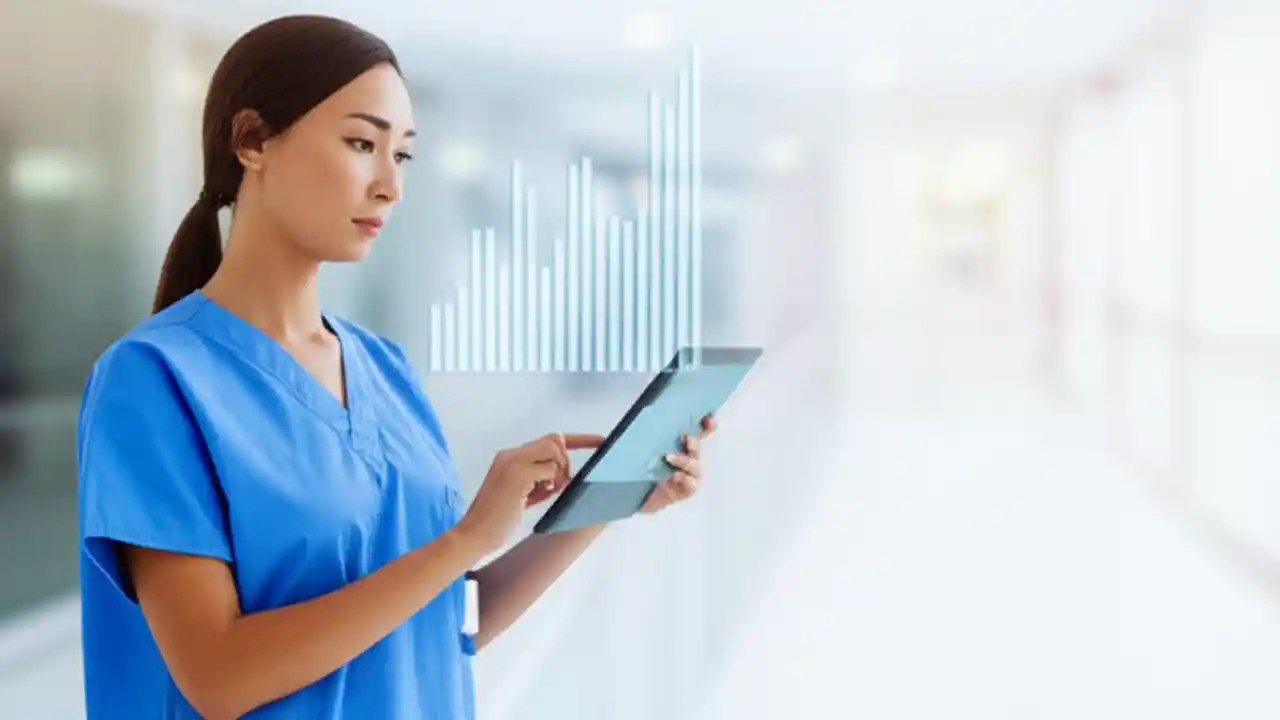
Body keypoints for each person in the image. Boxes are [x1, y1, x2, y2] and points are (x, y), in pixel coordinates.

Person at [75, 14, 717, 720]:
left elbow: (443, 624)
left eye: (403, 156)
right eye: (361, 143)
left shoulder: (384, 368)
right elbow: (219, 676)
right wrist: (467, 537)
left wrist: (600, 501)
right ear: (252, 140)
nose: (389, 186)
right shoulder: (154, 380)